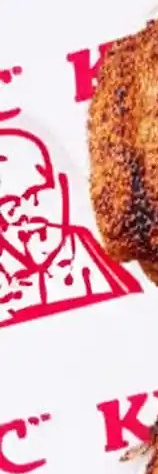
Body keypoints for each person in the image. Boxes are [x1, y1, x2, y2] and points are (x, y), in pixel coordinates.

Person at [0, 115, 140, 328]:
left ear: (60, 190)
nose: (25, 218)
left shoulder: (97, 270)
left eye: (36, 195)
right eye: (10, 207)